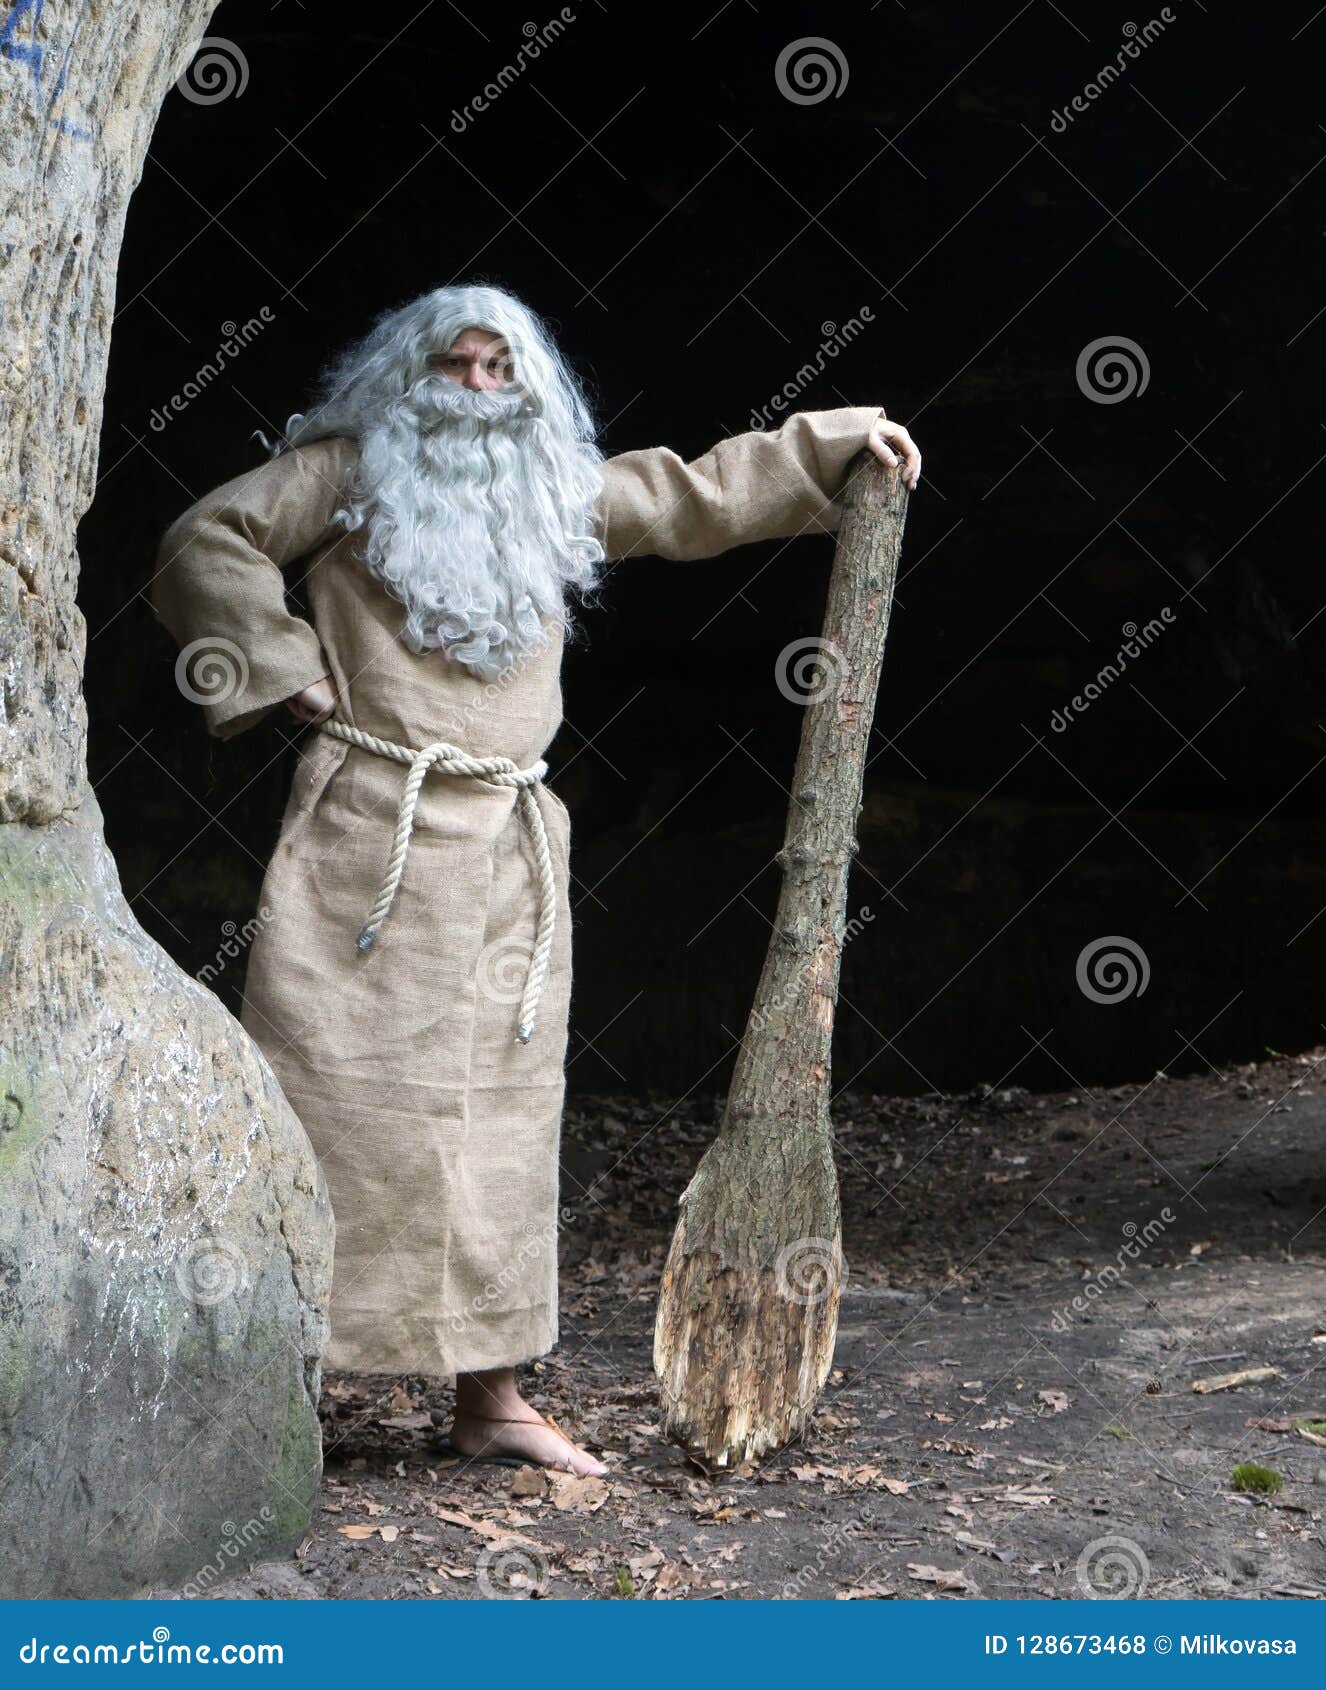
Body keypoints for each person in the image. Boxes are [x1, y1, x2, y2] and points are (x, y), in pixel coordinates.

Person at [149, 283, 921, 1478]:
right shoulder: (347, 471)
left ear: (528, 386)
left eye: (496, 372)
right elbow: (210, 536)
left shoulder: (556, 490)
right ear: (409, 377)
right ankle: (282, 1375)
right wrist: (282, 662)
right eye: (453, 368)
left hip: (510, 849)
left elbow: (693, 494)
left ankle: (490, 1394)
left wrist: (832, 442)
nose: (474, 390)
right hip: (367, 833)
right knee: (327, 1101)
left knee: (500, 1127)